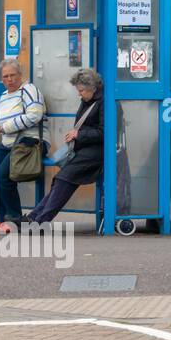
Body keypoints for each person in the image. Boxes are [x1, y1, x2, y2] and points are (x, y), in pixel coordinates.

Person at [27, 69, 102, 226]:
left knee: (62, 179)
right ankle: (34, 217)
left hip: (97, 153)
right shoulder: (88, 100)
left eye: (81, 90)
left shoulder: (104, 103)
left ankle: (40, 221)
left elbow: (104, 132)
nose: (79, 94)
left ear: (93, 87)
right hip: (84, 150)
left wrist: (79, 135)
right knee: (60, 180)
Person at [0, 58, 46, 233]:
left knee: (2, 176)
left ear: (20, 75)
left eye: (13, 75)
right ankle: (0, 218)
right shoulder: (3, 96)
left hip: (29, 141)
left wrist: (7, 126)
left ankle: (15, 218)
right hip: (9, 143)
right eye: (5, 76)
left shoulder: (29, 90)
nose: (9, 79)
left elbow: (35, 115)